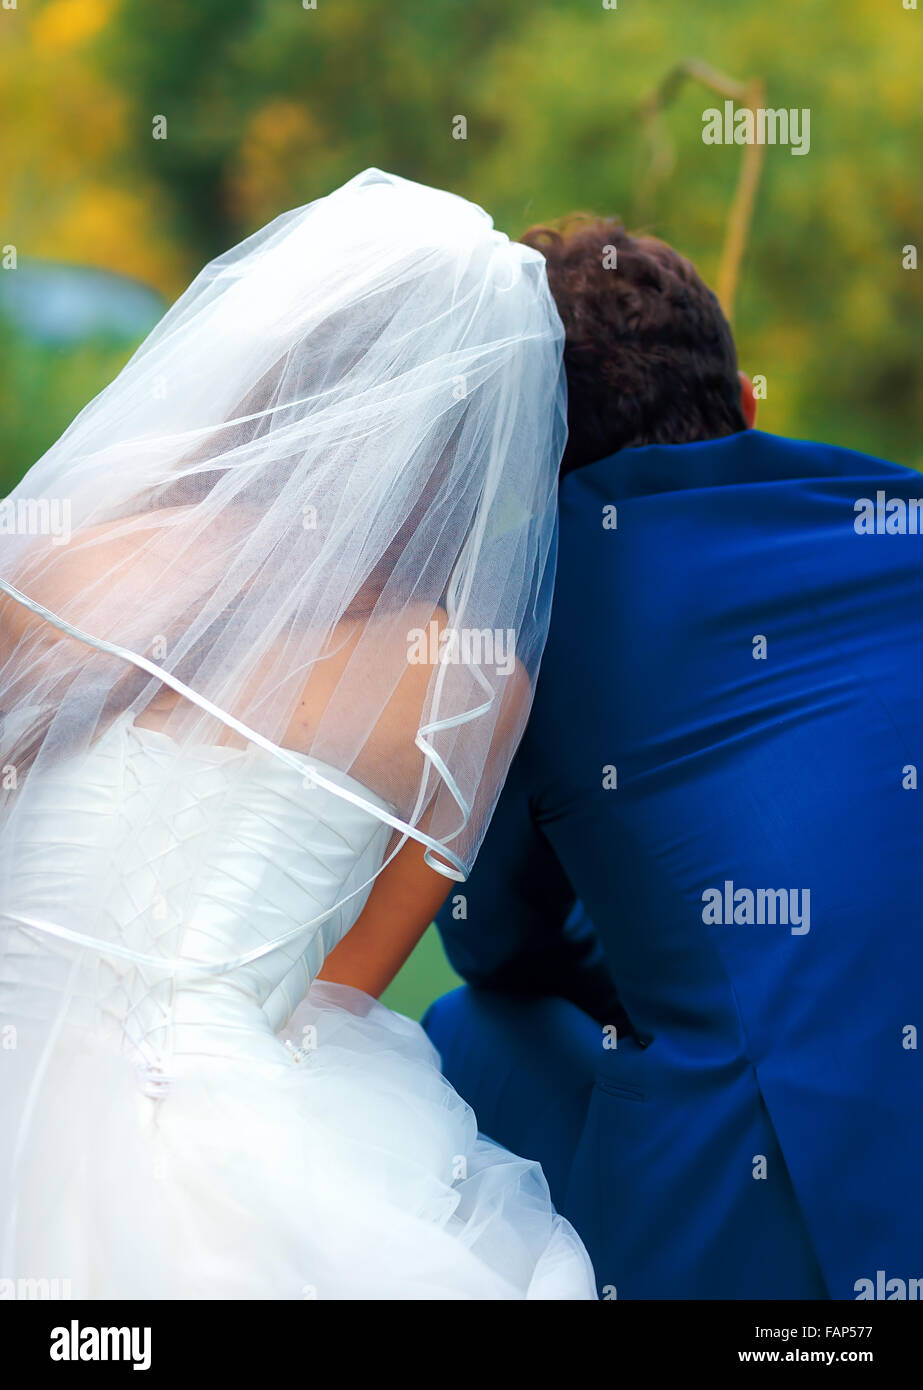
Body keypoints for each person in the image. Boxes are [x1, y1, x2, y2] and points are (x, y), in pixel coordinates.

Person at [0, 171, 596, 1300]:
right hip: (233, 1144)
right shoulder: (468, 682)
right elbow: (340, 989)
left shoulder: (68, 555)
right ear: (480, 448)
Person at [426, 215, 923, 1300]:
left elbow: (489, 939)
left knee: (457, 1033)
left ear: (522, 462)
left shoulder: (542, 624)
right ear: (746, 401)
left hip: (792, 1230)